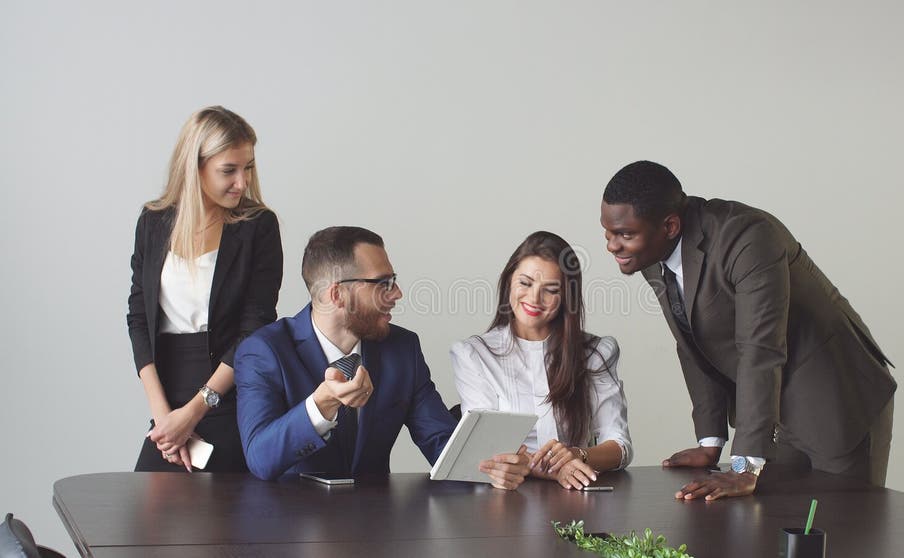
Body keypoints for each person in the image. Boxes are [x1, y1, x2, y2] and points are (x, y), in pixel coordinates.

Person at [600, 160, 896, 500]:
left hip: (837, 398)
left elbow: (760, 346)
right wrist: (710, 442)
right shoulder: (652, 253)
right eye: (607, 233)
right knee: (772, 526)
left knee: (843, 533)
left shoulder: (748, 237)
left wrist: (744, 467)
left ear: (669, 226)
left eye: (625, 234)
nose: (612, 245)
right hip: (772, 406)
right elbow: (691, 338)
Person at [234, 226, 531, 488]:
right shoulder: (264, 351)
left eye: (395, 280)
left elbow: (441, 442)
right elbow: (260, 459)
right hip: (289, 533)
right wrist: (319, 407)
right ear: (337, 295)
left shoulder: (403, 348)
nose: (398, 293)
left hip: (378, 529)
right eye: (383, 283)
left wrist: (493, 467)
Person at [127, 106, 283, 472]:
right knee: (151, 523)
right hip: (169, 398)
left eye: (248, 168)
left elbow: (254, 328)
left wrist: (195, 410)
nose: (242, 182)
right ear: (193, 166)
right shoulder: (153, 221)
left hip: (230, 395)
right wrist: (165, 419)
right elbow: (138, 317)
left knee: (221, 523)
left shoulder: (258, 226)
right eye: (228, 170)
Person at [451, 231, 632, 490]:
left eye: (550, 290)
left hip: (577, 496)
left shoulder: (596, 352)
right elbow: (486, 452)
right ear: (508, 282)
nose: (534, 299)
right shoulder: (474, 354)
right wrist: (555, 470)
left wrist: (577, 455)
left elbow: (620, 445)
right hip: (508, 500)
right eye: (525, 283)